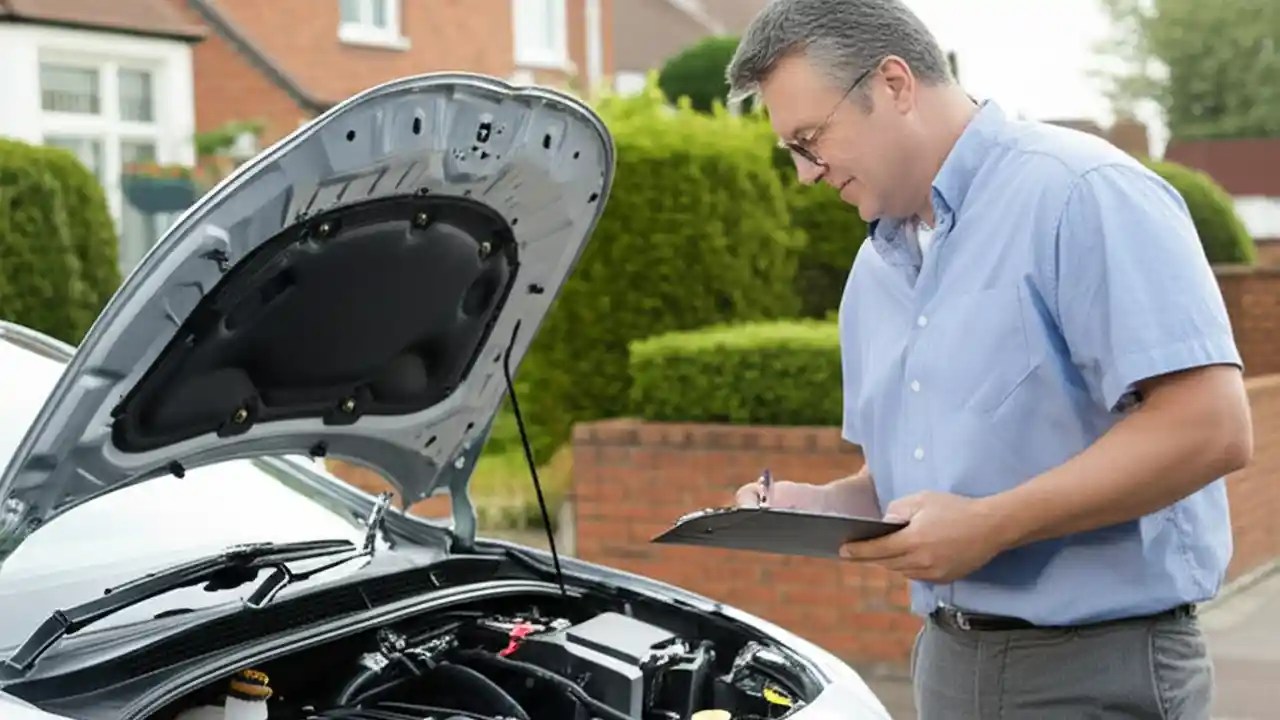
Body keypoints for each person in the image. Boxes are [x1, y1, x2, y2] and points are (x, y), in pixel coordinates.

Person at [725, 1, 1253, 717]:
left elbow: (1210, 427)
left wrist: (992, 526)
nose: (805, 175)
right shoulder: (875, 272)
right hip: (945, 664)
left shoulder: (1084, 193)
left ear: (893, 85)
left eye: (811, 140)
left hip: (1098, 670)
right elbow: (911, 478)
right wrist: (819, 507)